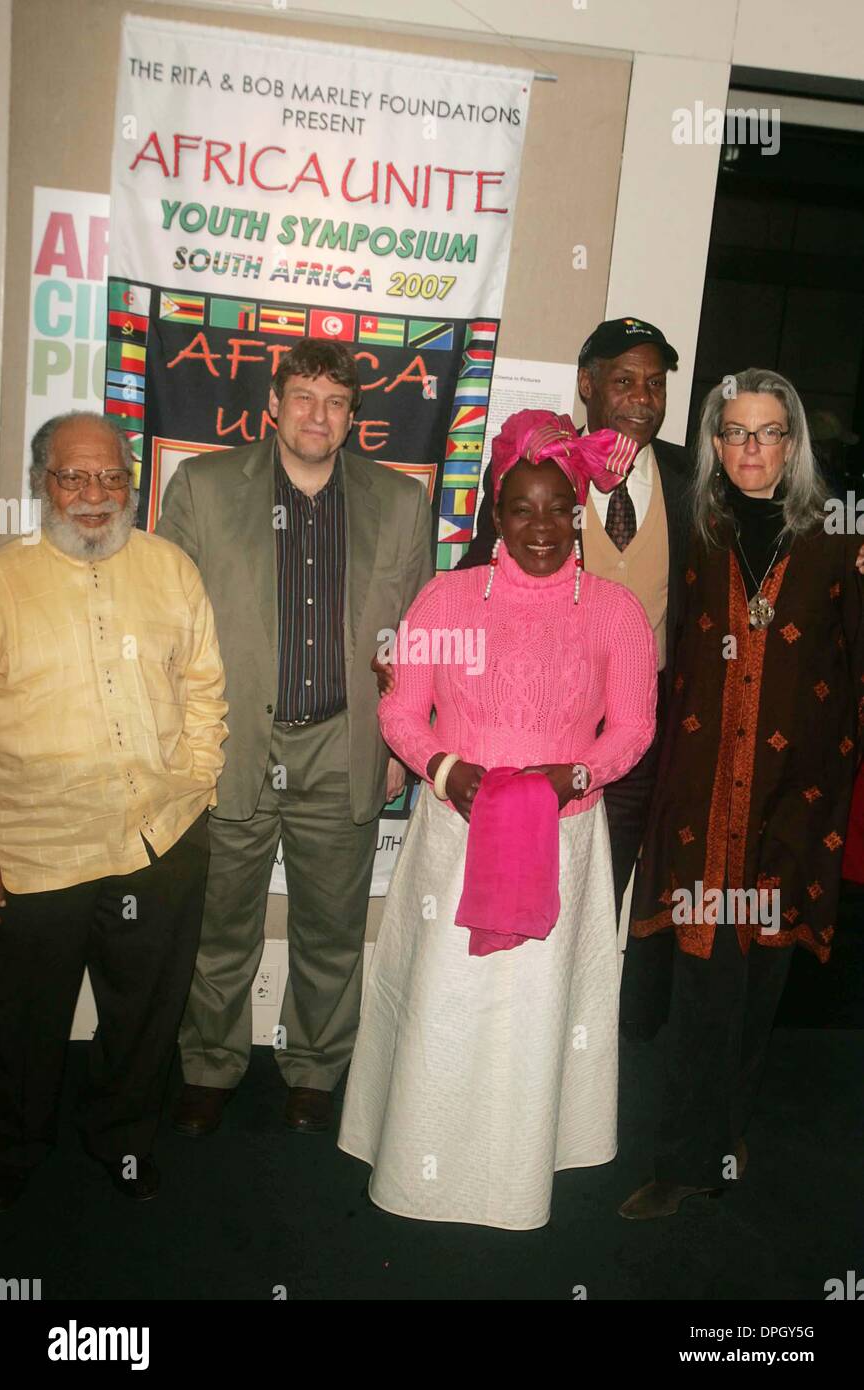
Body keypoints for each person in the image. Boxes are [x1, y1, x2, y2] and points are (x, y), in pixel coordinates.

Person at [338, 410, 657, 1230]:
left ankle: (518, 1171)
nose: (540, 527)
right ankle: (418, 1162)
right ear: (496, 513)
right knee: (446, 1003)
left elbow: (633, 727)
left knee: (532, 1013)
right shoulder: (447, 602)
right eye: (521, 508)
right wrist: (447, 771)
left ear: (578, 511)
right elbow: (401, 711)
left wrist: (576, 774)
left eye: (557, 508)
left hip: (563, 839)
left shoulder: (614, 611)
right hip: (457, 836)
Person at [157, 338, 433, 1138]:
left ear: (353, 418)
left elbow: (415, 639)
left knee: (332, 931)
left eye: (336, 402)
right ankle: (208, 1064)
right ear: (273, 406)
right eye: (304, 397)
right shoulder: (204, 488)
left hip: (343, 746)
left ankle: (314, 1069)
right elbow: (167, 625)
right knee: (220, 926)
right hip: (234, 744)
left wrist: (397, 746)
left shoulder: (399, 503)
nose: (319, 415)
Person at [619, 368, 864, 1220]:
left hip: (794, 805)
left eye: (768, 432)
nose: (750, 448)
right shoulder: (697, 528)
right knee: (704, 981)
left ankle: (724, 1132)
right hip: (701, 801)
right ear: (715, 443)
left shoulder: (837, 537)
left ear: (793, 443)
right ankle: (684, 1160)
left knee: (759, 980)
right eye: (734, 432)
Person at [0, 413, 227, 1211]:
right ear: (43, 484)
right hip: (36, 851)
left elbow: (204, 687)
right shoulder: (6, 579)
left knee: (145, 1014)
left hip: (159, 840)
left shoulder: (170, 569)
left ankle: (122, 1139)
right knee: (24, 1020)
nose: (94, 495)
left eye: (111, 478)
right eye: (74, 476)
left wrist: (197, 780)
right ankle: (14, 1148)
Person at [460, 319, 691, 940]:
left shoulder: (691, 478)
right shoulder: (540, 463)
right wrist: (415, 650)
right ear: (587, 384)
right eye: (624, 381)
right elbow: (476, 573)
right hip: (537, 722)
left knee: (599, 894)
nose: (643, 398)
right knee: (521, 881)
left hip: (639, 732)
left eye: (655, 384)